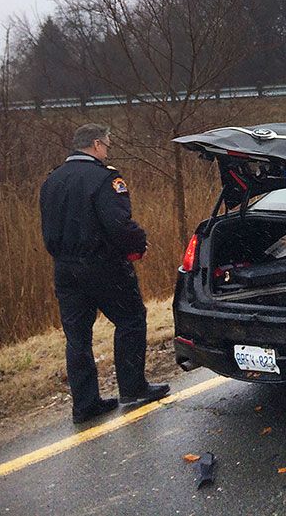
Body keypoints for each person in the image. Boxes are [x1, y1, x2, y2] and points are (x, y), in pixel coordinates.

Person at [40, 124, 169, 424]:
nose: (108, 150)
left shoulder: (52, 180)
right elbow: (118, 225)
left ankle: (85, 405)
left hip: (64, 268)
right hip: (102, 265)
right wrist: (139, 243)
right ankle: (133, 388)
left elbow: (48, 227)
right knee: (131, 319)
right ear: (96, 145)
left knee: (77, 337)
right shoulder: (105, 179)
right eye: (107, 144)